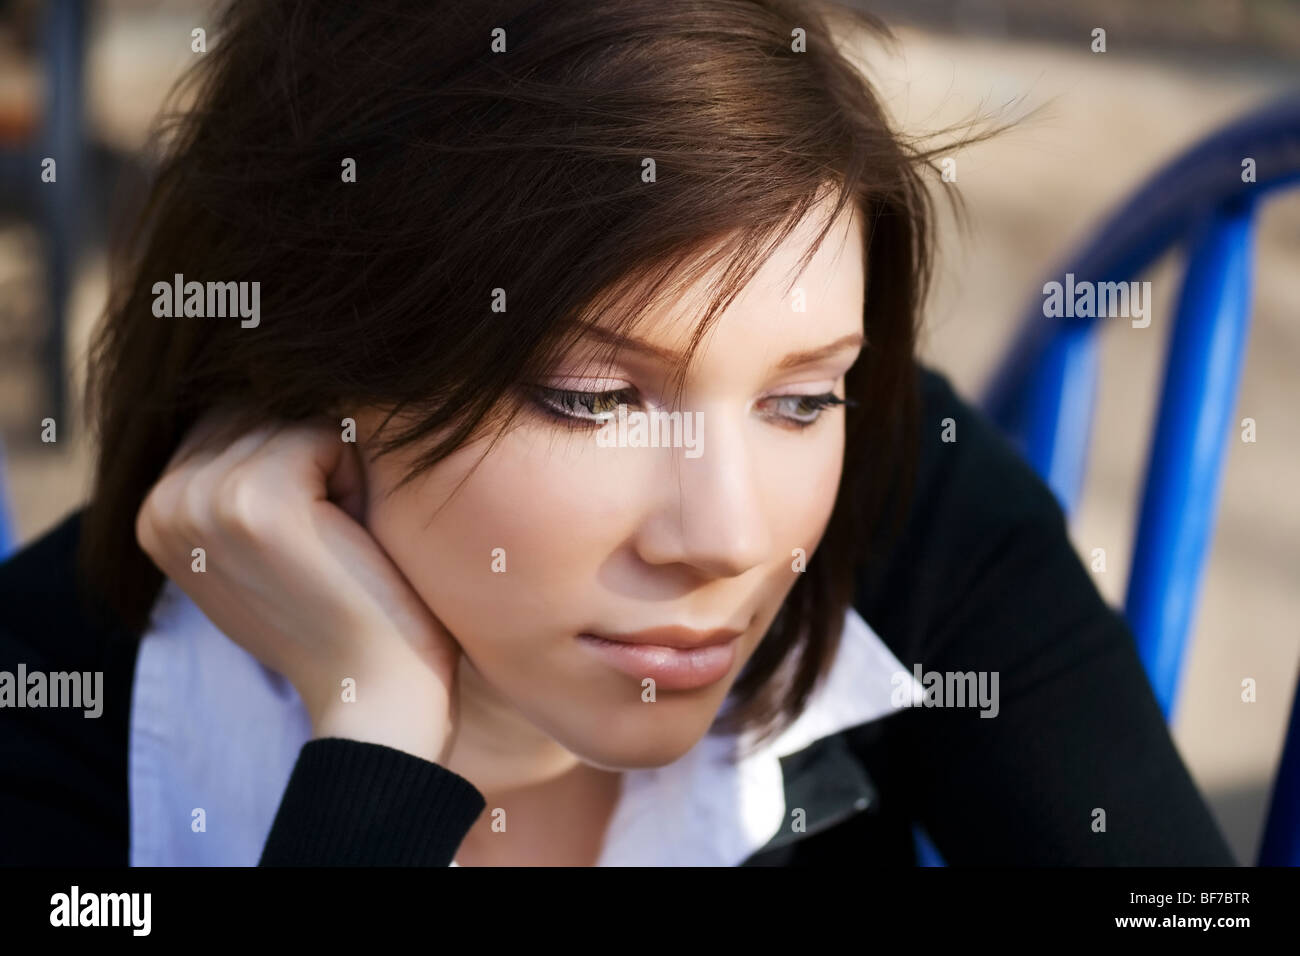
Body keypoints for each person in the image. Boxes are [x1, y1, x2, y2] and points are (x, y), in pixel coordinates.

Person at [0, 0, 1235, 866]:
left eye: (803, 396)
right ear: (311, 376)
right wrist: (373, 743)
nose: (734, 538)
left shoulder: (913, 508)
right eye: (593, 398)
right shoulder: (46, 708)